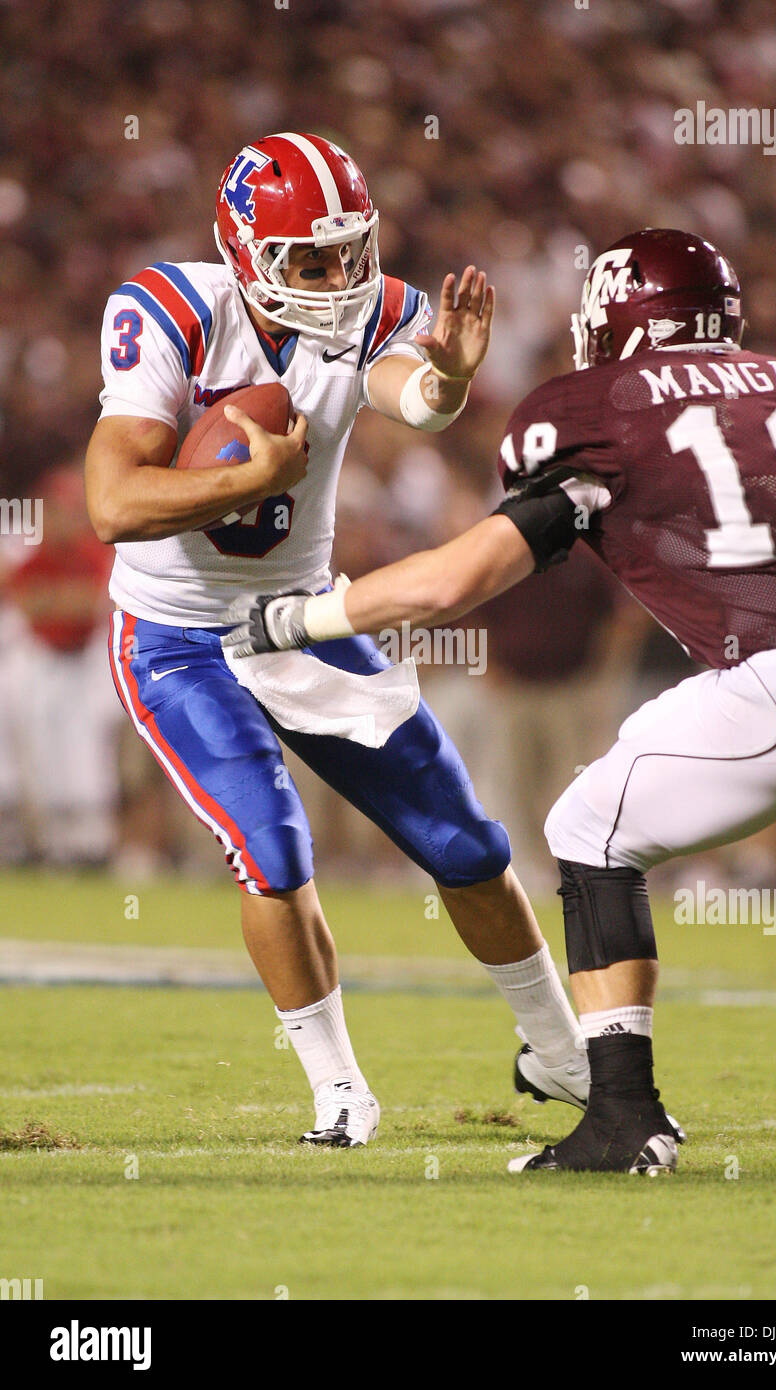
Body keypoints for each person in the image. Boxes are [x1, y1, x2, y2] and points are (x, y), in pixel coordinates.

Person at [227, 227, 776, 1174]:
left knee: (591, 825)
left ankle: (621, 1117)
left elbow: (453, 584)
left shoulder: (599, 409)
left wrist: (299, 621)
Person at [85, 131, 589, 1148]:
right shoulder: (170, 309)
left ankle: (561, 1050)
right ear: (242, 248)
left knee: (467, 843)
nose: (336, 278)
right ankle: (338, 1091)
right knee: (271, 852)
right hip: (180, 634)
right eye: (308, 261)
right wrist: (244, 479)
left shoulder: (371, 306)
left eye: (348, 251)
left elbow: (413, 396)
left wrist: (444, 377)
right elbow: (111, 501)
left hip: (302, 618)